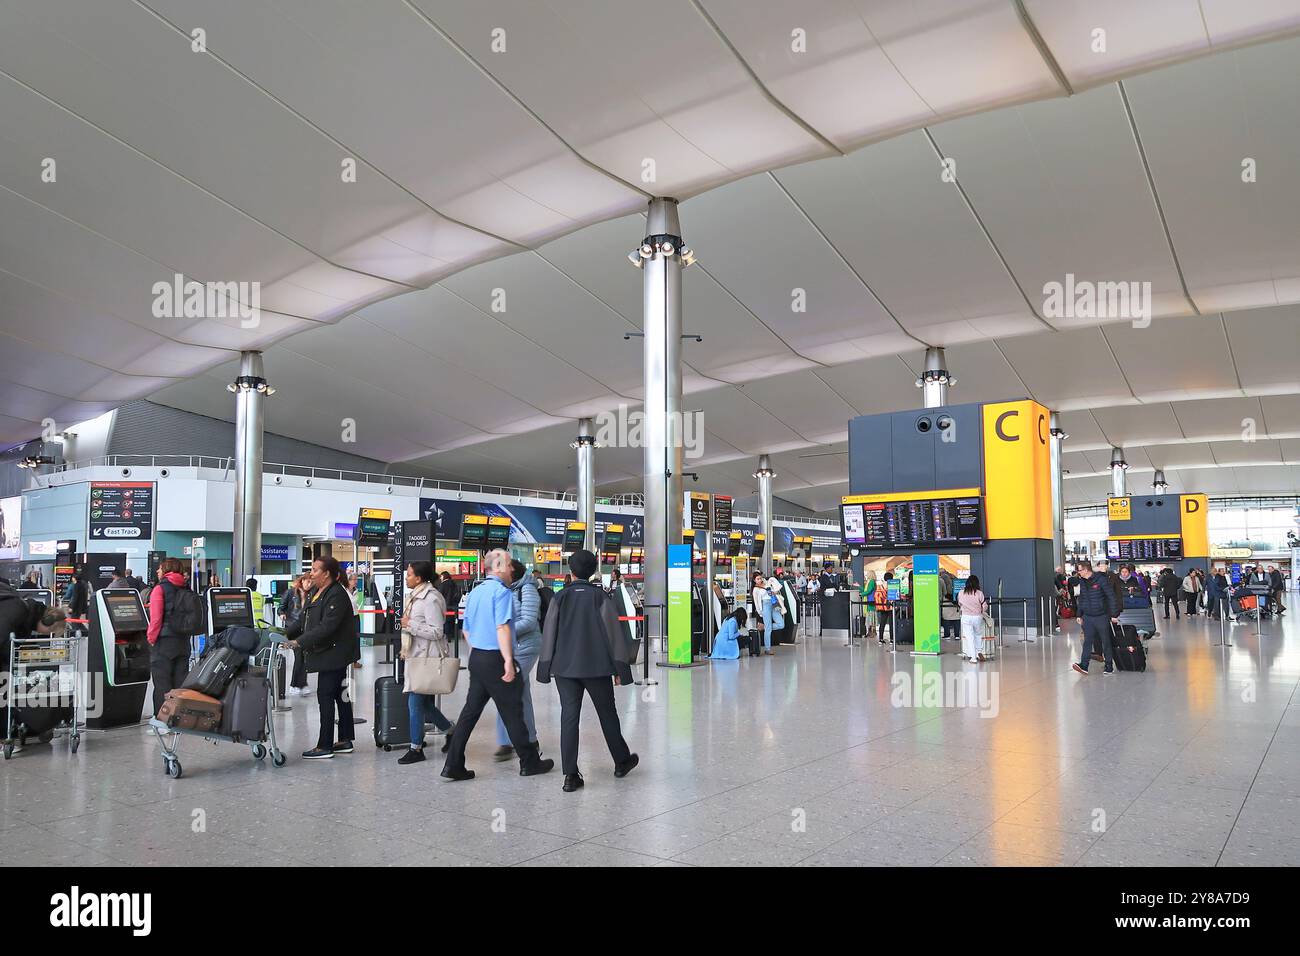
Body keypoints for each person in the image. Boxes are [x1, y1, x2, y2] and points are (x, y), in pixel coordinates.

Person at [441, 549, 553, 781]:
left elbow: (466, 630)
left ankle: (453, 764)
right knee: (513, 711)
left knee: (469, 713)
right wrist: (508, 662)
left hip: (478, 657)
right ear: (500, 567)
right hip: (496, 658)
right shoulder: (501, 593)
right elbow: (502, 628)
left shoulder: (476, 592)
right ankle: (529, 762)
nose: (512, 569)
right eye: (509, 564)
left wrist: (477, 655)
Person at [536, 549, 637, 793]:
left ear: (570, 571)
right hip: (597, 668)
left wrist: (544, 668)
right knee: (607, 714)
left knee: (569, 717)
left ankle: (570, 775)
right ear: (593, 572)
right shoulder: (601, 597)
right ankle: (621, 761)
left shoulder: (560, 598)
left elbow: (549, 633)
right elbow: (613, 635)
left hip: (565, 669)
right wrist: (621, 669)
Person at [284, 555, 360, 759]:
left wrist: (300, 642)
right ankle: (344, 739)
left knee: (326, 695)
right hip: (328, 652)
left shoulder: (336, 594)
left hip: (334, 654)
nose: (311, 573)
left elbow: (327, 627)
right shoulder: (316, 593)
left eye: (316, 570)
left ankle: (324, 745)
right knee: (339, 695)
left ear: (326, 574)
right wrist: (285, 634)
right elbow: (303, 621)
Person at [396, 561, 456, 764]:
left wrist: (410, 625)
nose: (407, 577)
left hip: (426, 658)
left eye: (410, 574)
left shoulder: (430, 599)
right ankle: (451, 731)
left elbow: (437, 631)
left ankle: (416, 748)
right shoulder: (415, 597)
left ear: (419, 578)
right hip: (416, 656)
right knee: (424, 704)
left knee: (415, 702)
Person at [494, 559, 542, 763]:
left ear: (512, 570)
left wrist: (504, 631)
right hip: (512, 647)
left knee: (506, 688)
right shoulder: (505, 589)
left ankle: (506, 741)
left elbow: (530, 621)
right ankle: (530, 738)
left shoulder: (528, 589)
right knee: (521, 693)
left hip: (526, 647)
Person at [146, 558, 196, 714]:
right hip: (183, 641)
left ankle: (162, 722)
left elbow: (156, 619)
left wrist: (151, 638)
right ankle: (178, 720)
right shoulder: (186, 588)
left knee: (162, 684)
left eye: (160, 568)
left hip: (164, 642)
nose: (157, 571)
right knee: (179, 683)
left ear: (166, 570)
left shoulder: (160, 589)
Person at [1071, 560, 1119, 676]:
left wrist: (1114, 614)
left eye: (1080, 570)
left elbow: (1111, 597)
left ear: (1086, 570)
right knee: (1087, 641)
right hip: (1088, 617)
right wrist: (1079, 614)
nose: (1078, 573)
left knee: (1105, 641)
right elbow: (1082, 599)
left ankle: (1109, 666)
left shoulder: (1101, 580)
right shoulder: (1082, 582)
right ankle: (1084, 665)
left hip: (1101, 616)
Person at [279, 573, 313, 696]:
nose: (310, 584)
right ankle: (295, 685)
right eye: (308, 581)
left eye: (311, 582)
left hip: (305, 628)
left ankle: (302, 684)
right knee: (299, 656)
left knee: (304, 657)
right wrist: (282, 614)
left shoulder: (312, 594)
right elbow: (281, 607)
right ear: (302, 581)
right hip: (292, 628)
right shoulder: (291, 593)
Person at [957, 575, 989, 663]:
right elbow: (984, 605)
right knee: (978, 634)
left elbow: (960, 604)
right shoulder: (979, 593)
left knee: (969, 637)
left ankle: (973, 657)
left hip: (966, 617)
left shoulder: (961, 593)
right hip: (977, 617)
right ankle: (979, 651)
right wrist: (981, 610)